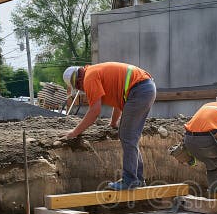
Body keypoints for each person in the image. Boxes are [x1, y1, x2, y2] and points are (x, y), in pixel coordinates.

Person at [62, 62, 156, 190]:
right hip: (145, 88)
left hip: (139, 90)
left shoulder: (89, 77)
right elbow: (118, 101)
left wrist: (75, 132)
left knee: (127, 136)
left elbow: (94, 111)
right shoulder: (95, 73)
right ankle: (137, 179)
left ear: (78, 81)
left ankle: (129, 180)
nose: (82, 90)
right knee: (130, 137)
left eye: (79, 87)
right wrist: (113, 123)